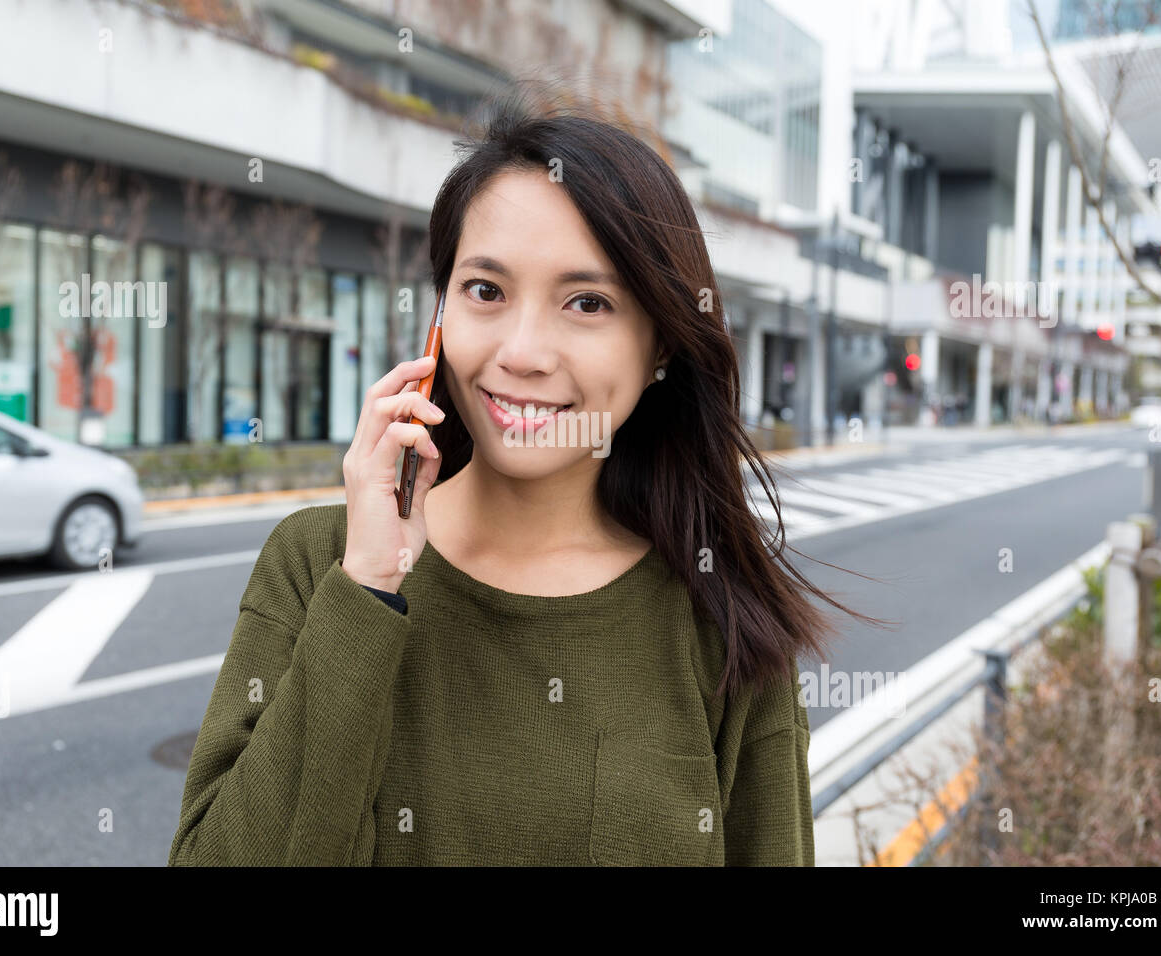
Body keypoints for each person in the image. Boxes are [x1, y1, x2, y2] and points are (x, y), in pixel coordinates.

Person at [167, 81, 890, 867]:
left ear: (661, 348)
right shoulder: (318, 566)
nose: (522, 352)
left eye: (586, 303)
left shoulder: (723, 619)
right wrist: (370, 587)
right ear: (440, 317)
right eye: (486, 290)